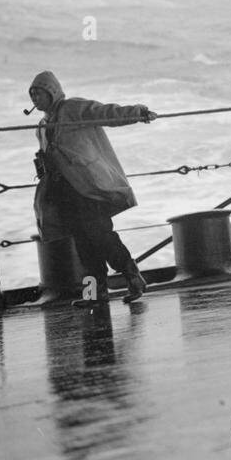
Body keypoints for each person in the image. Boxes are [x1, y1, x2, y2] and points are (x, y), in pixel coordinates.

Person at [29, 70, 155, 304]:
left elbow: (106, 113)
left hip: (88, 188)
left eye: (38, 93)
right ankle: (94, 293)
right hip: (64, 193)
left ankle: (133, 277)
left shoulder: (72, 109)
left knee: (102, 237)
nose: (34, 98)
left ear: (52, 92)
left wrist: (138, 113)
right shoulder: (41, 126)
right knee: (83, 246)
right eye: (32, 94)